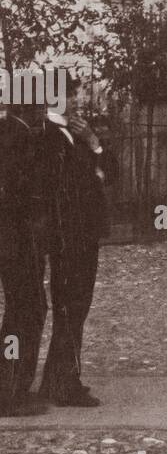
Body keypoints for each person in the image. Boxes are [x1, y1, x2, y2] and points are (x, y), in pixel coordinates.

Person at [37, 100, 108, 408]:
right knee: (71, 308)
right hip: (68, 237)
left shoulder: (77, 132)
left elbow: (112, 172)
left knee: (76, 310)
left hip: (84, 234)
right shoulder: (47, 134)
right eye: (70, 94)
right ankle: (64, 385)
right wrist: (94, 172)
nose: (77, 102)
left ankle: (58, 380)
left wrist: (94, 143)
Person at [0, 106, 48, 417]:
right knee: (24, 313)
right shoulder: (18, 138)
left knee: (23, 310)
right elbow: (20, 191)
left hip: (13, 241)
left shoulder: (9, 131)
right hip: (17, 242)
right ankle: (10, 392)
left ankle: (12, 387)